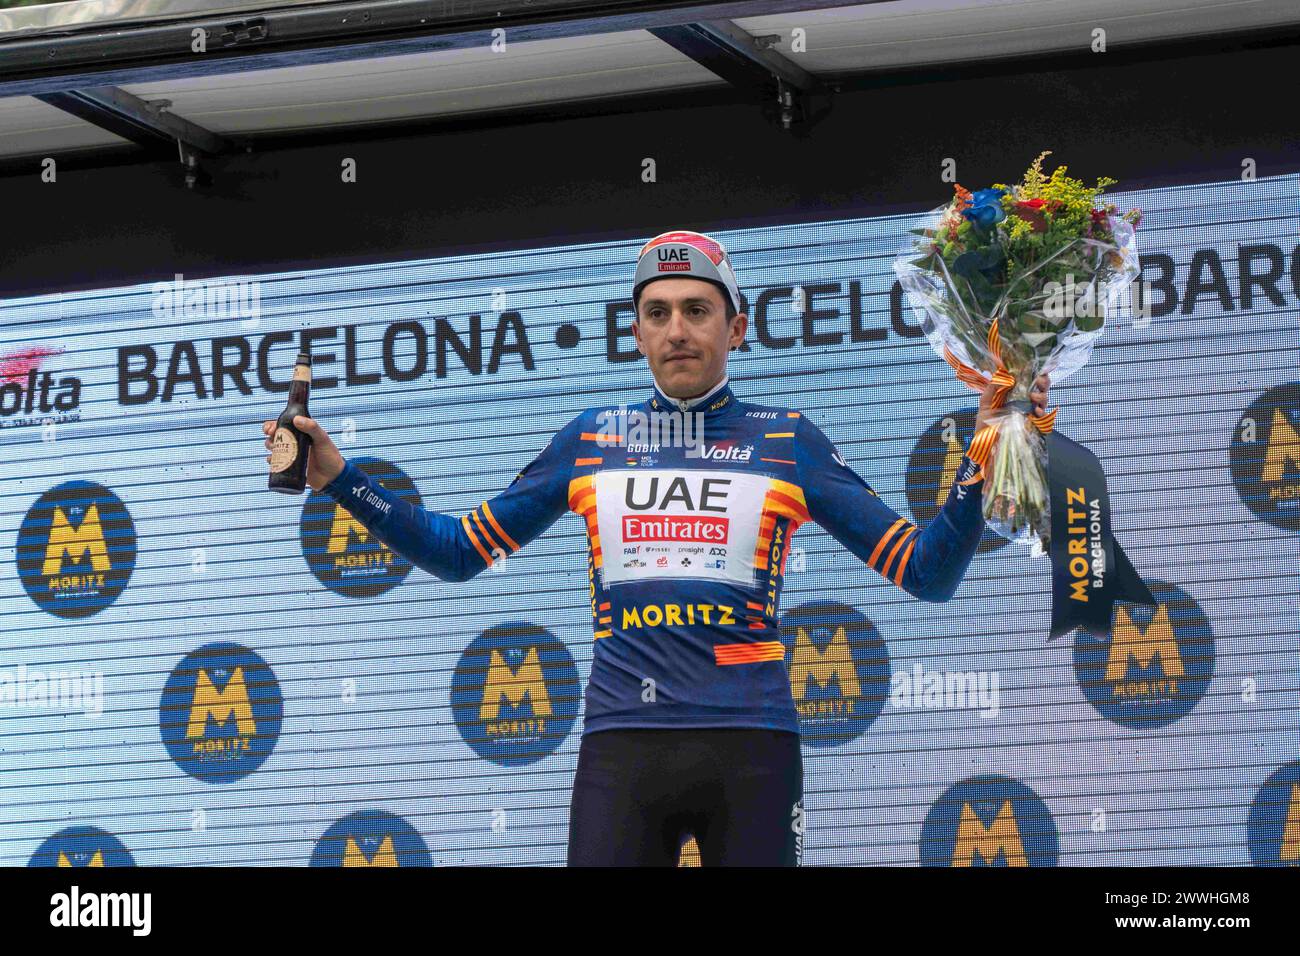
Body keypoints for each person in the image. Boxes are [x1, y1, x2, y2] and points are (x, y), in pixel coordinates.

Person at [262, 229, 1050, 866]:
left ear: (736, 328)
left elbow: (929, 572)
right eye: (660, 311)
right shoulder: (591, 439)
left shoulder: (788, 442)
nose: (678, 329)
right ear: (635, 331)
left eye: (698, 311)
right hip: (622, 752)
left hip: (752, 749)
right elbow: (458, 550)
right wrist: (336, 475)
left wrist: (988, 446)